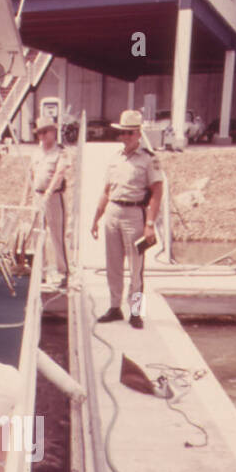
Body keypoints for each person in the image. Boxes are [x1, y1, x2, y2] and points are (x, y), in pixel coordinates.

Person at [90, 110, 163, 328]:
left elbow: (157, 192)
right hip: (113, 212)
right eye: (122, 133)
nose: (125, 137)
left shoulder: (149, 159)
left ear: (139, 133)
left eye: (130, 133)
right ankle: (114, 307)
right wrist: (96, 218)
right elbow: (106, 190)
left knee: (136, 268)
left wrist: (150, 224)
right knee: (113, 264)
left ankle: (136, 311)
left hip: (134, 215)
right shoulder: (115, 158)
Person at [31, 115, 69, 285]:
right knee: (37, 235)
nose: (42, 136)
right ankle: (41, 271)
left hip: (53, 197)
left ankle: (63, 272)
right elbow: (31, 175)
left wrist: (47, 193)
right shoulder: (36, 152)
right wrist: (28, 196)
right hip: (37, 196)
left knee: (56, 235)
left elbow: (59, 174)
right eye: (39, 133)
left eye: (45, 132)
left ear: (54, 132)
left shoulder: (61, 152)